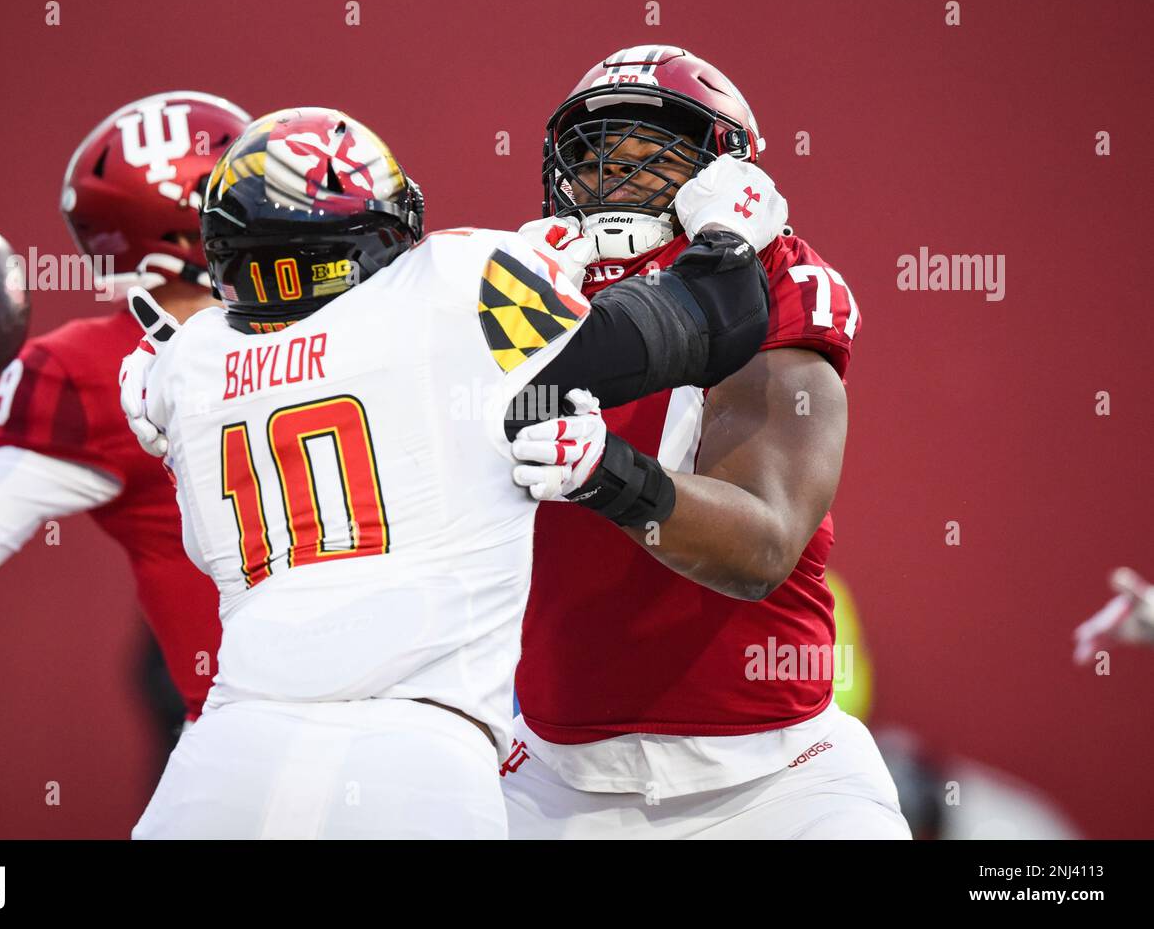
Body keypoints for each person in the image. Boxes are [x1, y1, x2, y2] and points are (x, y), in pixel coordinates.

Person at [122, 105, 776, 838]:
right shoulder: (456, 288)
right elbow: (701, 325)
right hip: (418, 759)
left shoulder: (181, 364)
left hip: (223, 759)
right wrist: (726, 237)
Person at [503, 45, 910, 838]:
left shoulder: (779, 279)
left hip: (776, 779)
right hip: (554, 777)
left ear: (728, 179)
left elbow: (760, 546)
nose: (611, 184)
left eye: (651, 159)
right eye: (592, 160)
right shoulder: (522, 282)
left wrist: (606, 474)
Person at [0, 92, 249, 732]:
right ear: (193, 226)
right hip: (420, 714)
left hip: (248, 737)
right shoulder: (352, 321)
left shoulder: (93, 371)